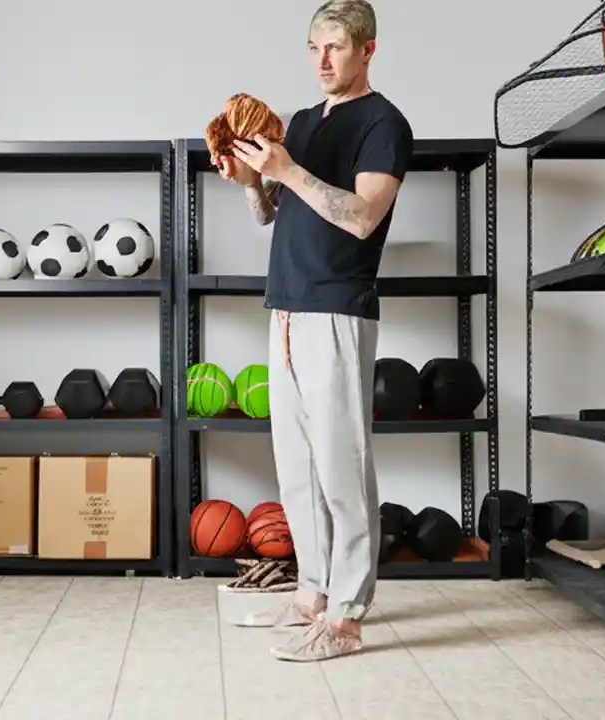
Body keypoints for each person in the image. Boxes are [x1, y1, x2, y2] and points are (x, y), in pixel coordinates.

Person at [213, 0, 414, 662]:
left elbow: (361, 217)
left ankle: (348, 614)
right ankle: (312, 594)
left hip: (337, 308)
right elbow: (271, 211)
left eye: (336, 47)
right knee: (297, 466)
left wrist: (286, 170)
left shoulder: (383, 122)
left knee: (341, 466)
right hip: (288, 307)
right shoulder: (299, 122)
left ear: (367, 51)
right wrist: (249, 180)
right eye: (314, 48)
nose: (323, 60)